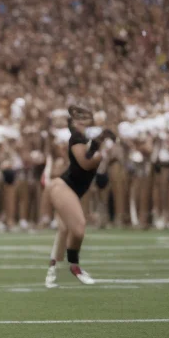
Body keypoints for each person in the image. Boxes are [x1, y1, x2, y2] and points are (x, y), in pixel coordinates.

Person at [44, 105, 114, 288]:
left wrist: (101, 141)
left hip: (70, 189)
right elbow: (85, 163)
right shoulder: (76, 138)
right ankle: (74, 267)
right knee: (78, 227)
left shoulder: (85, 138)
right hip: (63, 186)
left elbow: (90, 154)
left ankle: (52, 269)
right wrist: (101, 150)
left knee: (64, 229)